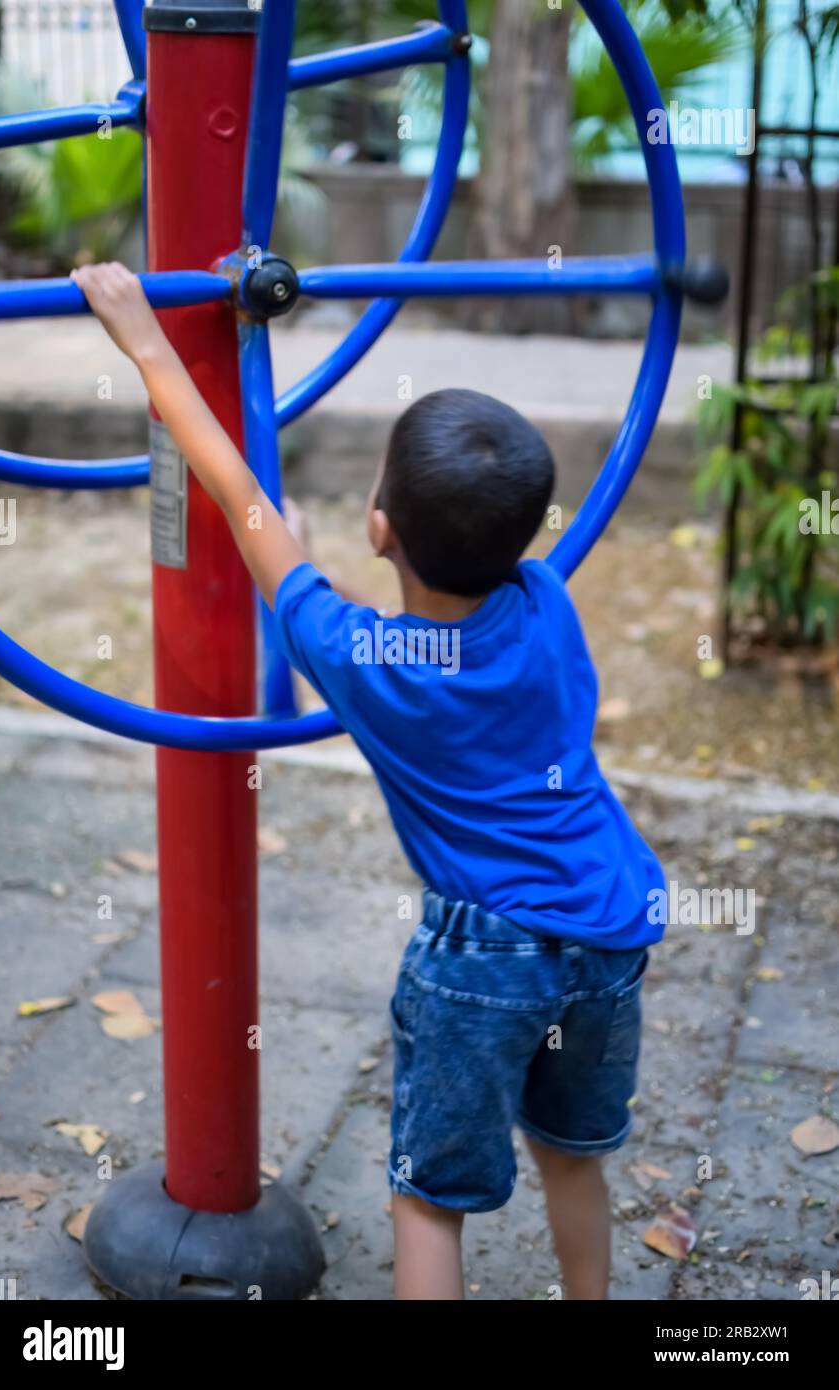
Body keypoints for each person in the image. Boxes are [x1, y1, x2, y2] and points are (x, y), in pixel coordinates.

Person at [73, 262, 665, 1301]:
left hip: (482, 957)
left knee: (428, 1194)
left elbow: (237, 493)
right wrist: (303, 560)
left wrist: (145, 340)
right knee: (572, 1155)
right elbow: (412, 618)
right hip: (609, 930)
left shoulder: (359, 660)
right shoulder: (542, 601)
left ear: (379, 525)